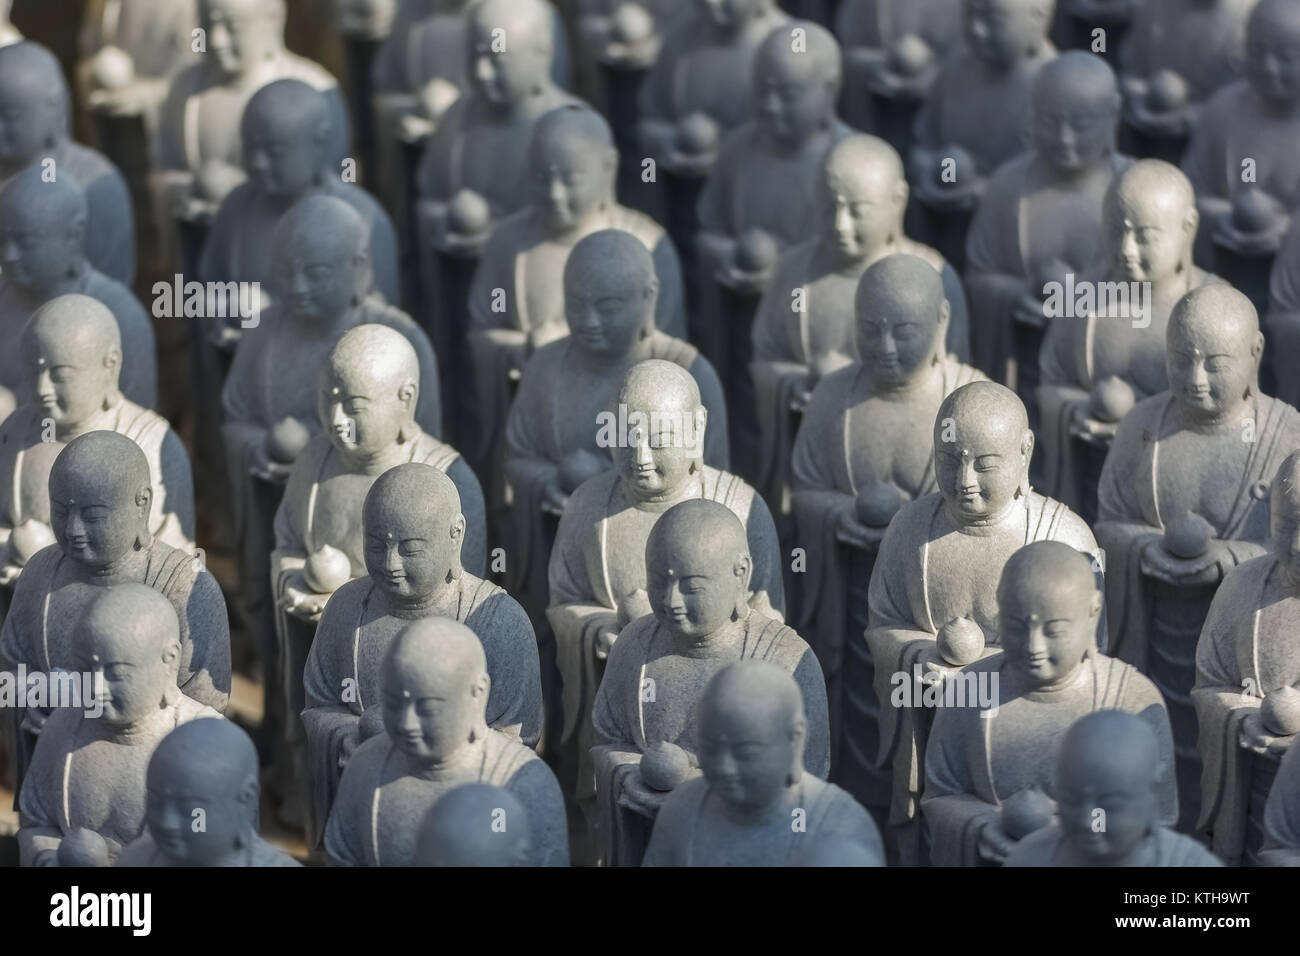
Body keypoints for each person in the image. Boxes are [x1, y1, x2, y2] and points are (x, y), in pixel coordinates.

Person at [324, 620, 569, 866]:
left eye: (427, 708)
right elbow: (344, 857)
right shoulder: (367, 765)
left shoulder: (523, 781)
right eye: (393, 703)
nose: (407, 723)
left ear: (478, 693)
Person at [641, 661, 883, 866]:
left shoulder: (838, 827)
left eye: (745, 752)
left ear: (795, 738)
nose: (724, 768)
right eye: (711, 748)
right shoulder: (683, 807)